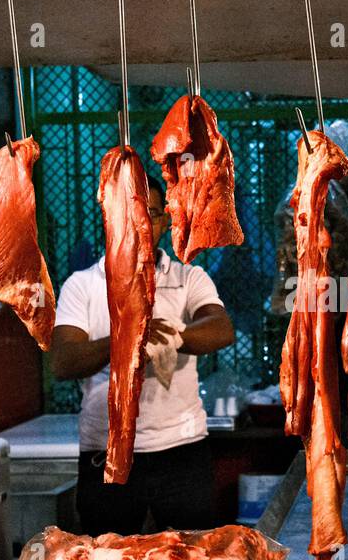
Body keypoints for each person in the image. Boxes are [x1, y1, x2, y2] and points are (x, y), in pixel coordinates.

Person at [50, 176, 235, 536]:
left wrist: (172, 335)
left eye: (150, 213)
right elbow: (63, 360)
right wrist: (126, 340)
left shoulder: (188, 278)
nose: (140, 223)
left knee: (190, 559)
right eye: (128, 212)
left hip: (181, 449)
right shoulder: (82, 284)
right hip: (105, 453)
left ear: (164, 221)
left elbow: (220, 328)